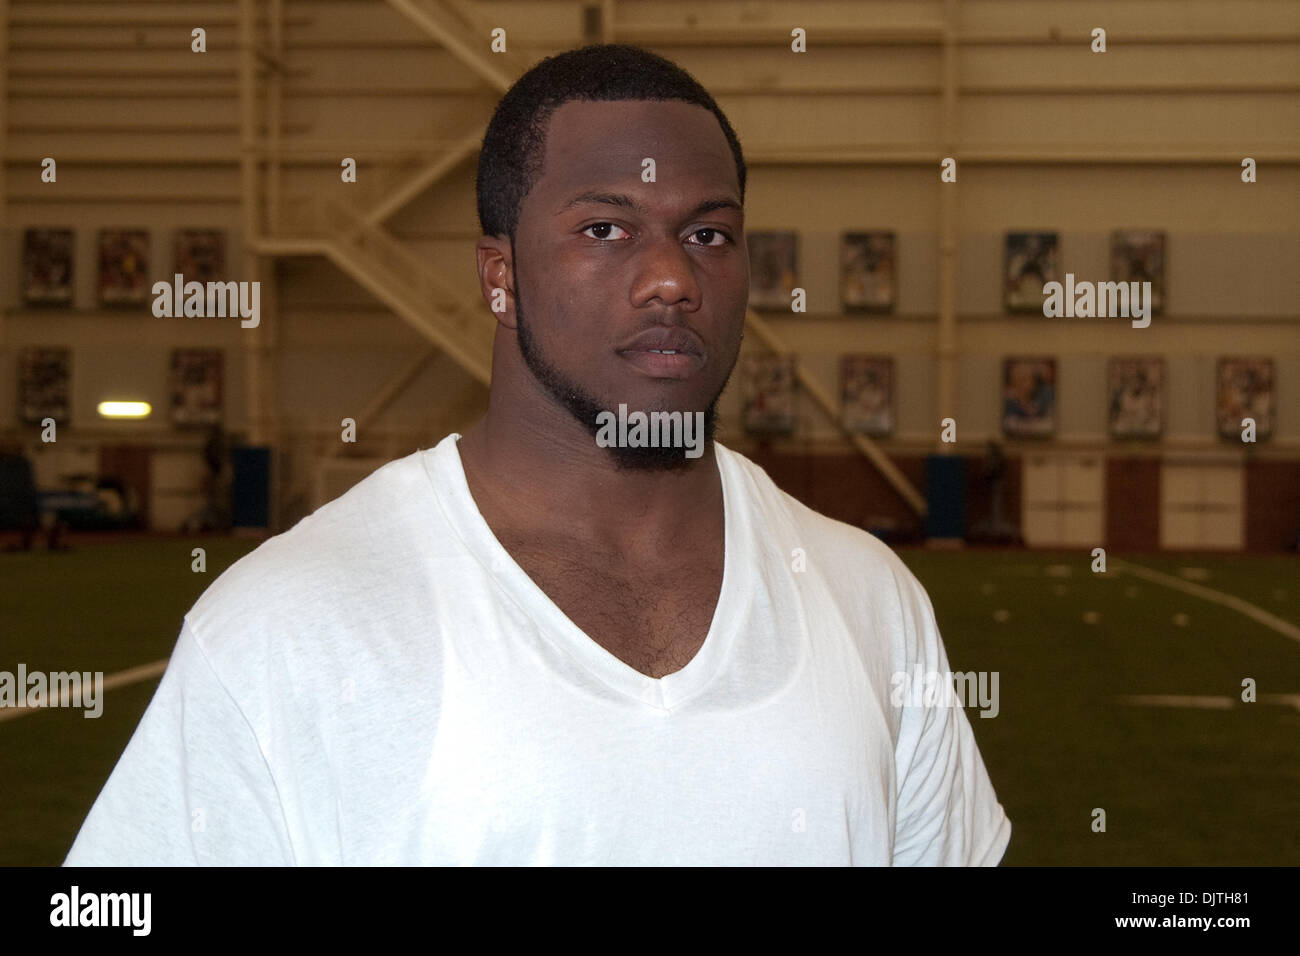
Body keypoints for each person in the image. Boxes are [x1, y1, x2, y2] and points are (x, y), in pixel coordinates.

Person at [65, 44, 1010, 866]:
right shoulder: (286, 625)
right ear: (499, 274)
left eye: (708, 234)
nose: (672, 278)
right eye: (606, 229)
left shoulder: (870, 599)